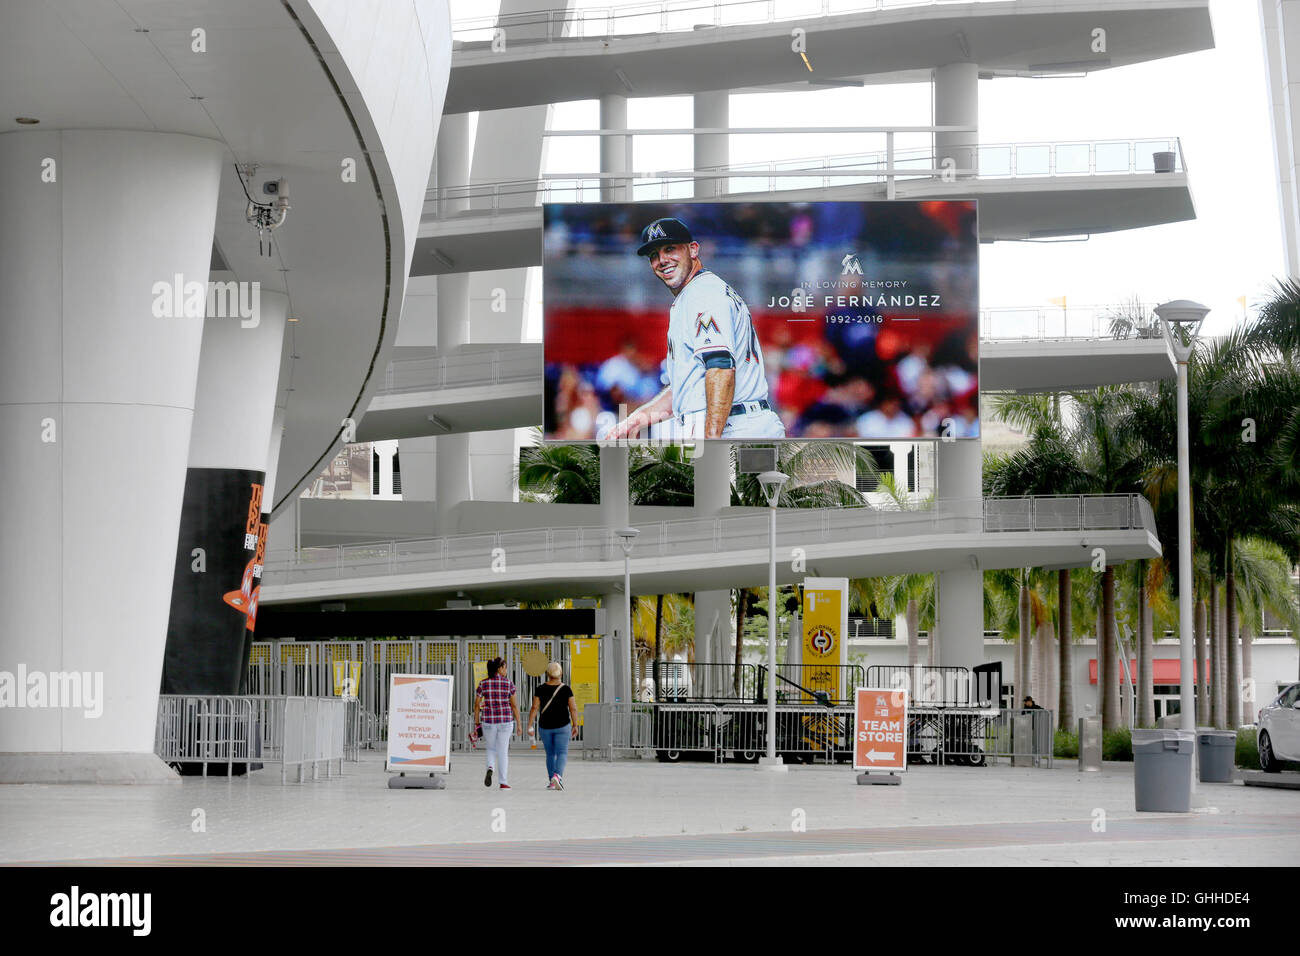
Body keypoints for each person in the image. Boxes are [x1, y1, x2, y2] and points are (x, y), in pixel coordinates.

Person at [605, 217, 785, 441]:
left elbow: (720, 368)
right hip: (735, 424)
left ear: (693, 249)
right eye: (654, 255)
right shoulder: (695, 294)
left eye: (670, 248)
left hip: (733, 427)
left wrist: (712, 444)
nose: (662, 260)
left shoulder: (703, 293)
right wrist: (634, 420)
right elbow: (684, 389)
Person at [527, 661, 579, 790]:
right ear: (560, 673)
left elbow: (534, 707)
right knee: (562, 753)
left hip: (545, 727)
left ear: (547, 674)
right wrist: (575, 724)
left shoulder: (540, 688)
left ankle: (551, 781)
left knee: (550, 754)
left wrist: (529, 725)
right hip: (562, 726)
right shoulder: (566, 689)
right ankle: (558, 776)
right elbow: (573, 708)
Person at [473, 657, 521, 790]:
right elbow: (514, 705)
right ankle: (503, 782)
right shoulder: (509, 683)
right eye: (505, 667)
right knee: (502, 751)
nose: (506, 670)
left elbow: (477, 705)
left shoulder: (483, 684)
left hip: (488, 721)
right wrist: (519, 723)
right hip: (505, 721)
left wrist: (477, 723)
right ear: (499, 669)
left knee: (490, 748)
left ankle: (490, 767)